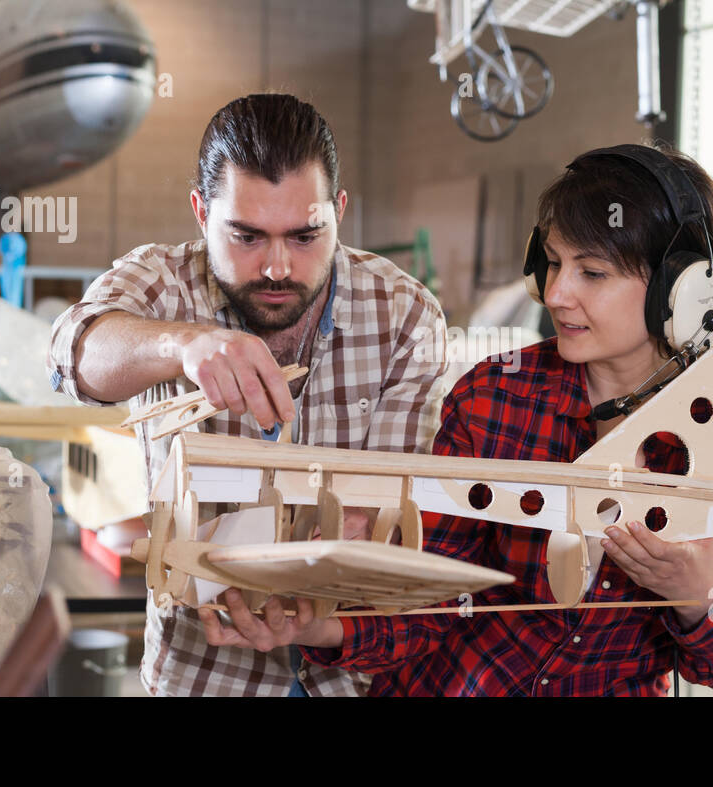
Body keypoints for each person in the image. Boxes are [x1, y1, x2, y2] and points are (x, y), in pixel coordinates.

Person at [197, 142, 713, 696]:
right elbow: (428, 598)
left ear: (682, 290)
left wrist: (698, 596)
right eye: (554, 264)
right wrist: (312, 629)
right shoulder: (495, 396)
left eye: (592, 273)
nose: (556, 294)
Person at [47, 93, 448, 697]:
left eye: (306, 236)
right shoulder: (164, 283)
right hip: (202, 675)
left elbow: (397, 489)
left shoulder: (404, 313)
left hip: (351, 675)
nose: (279, 267)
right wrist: (181, 345)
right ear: (200, 212)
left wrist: (353, 540)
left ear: (339, 211)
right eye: (248, 237)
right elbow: (71, 353)